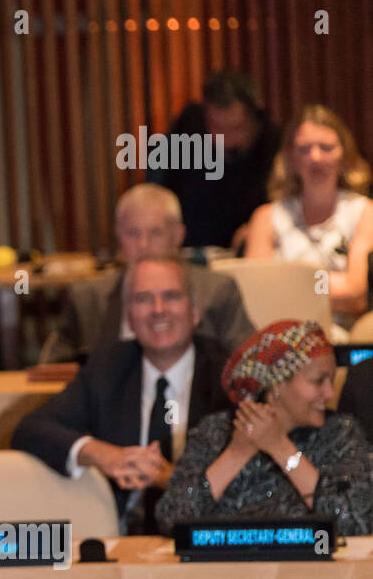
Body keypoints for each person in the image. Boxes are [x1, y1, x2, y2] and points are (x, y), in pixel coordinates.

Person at [12, 257, 233, 535]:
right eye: (144, 299)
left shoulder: (228, 376)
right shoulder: (109, 368)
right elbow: (30, 430)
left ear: (195, 311)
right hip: (120, 541)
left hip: (204, 540)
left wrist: (168, 478)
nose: (158, 310)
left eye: (171, 296)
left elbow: (247, 483)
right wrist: (104, 455)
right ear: (129, 316)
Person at [156, 320, 373, 536]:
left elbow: (355, 523)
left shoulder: (341, 433)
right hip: (223, 568)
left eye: (331, 381)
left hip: (309, 569)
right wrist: (236, 452)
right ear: (277, 385)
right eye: (318, 381)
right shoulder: (216, 432)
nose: (329, 394)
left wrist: (281, 448)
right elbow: (171, 519)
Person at [47, 184, 254, 361]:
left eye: (155, 233)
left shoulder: (217, 292)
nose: (143, 245)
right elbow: (53, 371)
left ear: (178, 235)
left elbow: (251, 361)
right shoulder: (87, 298)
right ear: (118, 235)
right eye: (133, 233)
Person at [243, 104, 373, 331]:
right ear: (290, 157)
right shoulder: (266, 217)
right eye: (304, 149)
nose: (316, 157)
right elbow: (254, 290)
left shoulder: (364, 212)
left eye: (326, 147)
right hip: (277, 336)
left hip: (340, 336)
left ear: (344, 153)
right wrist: (327, 284)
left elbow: (355, 293)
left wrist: (288, 284)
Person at [147, 70, 281, 251]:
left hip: (248, 253)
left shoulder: (274, 146)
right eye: (215, 127)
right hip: (189, 250)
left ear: (254, 118)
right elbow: (156, 189)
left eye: (235, 128)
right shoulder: (188, 128)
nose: (222, 138)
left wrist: (257, 228)